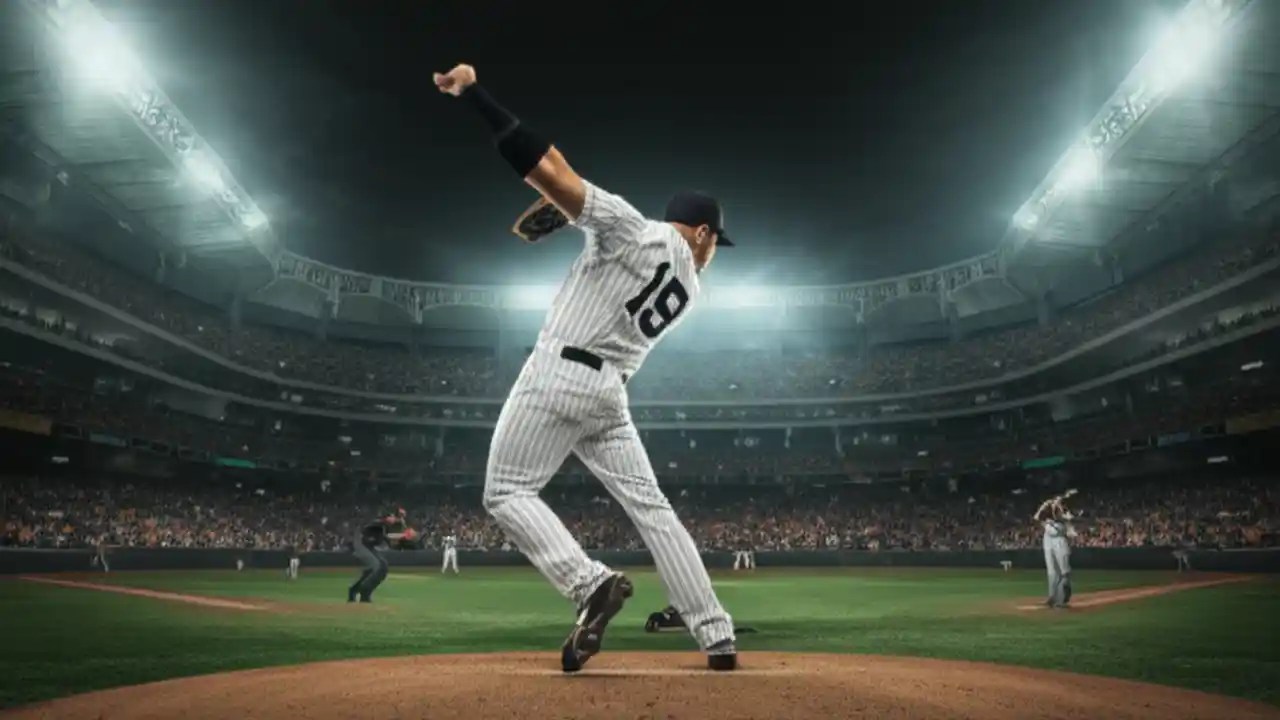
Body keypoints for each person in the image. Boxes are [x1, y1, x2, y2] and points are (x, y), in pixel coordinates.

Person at [434, 63, 738, 672]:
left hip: (560, 376)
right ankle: (716, 634)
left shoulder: (632, 228)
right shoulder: (689, 285)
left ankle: (588, 583)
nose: (714, 253)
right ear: (701, 231)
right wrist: (574, 212)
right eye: (715, 241)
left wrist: (476, 96)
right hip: (610, 396)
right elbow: (559, 186)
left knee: (506, 492)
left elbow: (549, 168)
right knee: (654, 511)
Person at [348, 510, 408, 603]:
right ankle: (364, 593)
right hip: (360, 545)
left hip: (368, 547)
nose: (394, 518)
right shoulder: (379, 523)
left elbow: (389, 539)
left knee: (383, 566)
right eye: (392, 516)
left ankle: (354, 590)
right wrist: (402, 530)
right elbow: (376, 528)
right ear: (386, 517)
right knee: (378, 566)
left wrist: (402, 535)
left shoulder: (384, 527)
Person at [1034, 491, 1076, 609]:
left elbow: (1068, 519)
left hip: (1059, 537)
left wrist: (1060, 519)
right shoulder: (1048, 505)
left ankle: (1063, 597)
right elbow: (1036, 517)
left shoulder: (1064, 507)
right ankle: (1052, 597)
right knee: (1051, 571)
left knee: (1064, 570)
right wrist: (1046, 521)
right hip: (1048, 537)